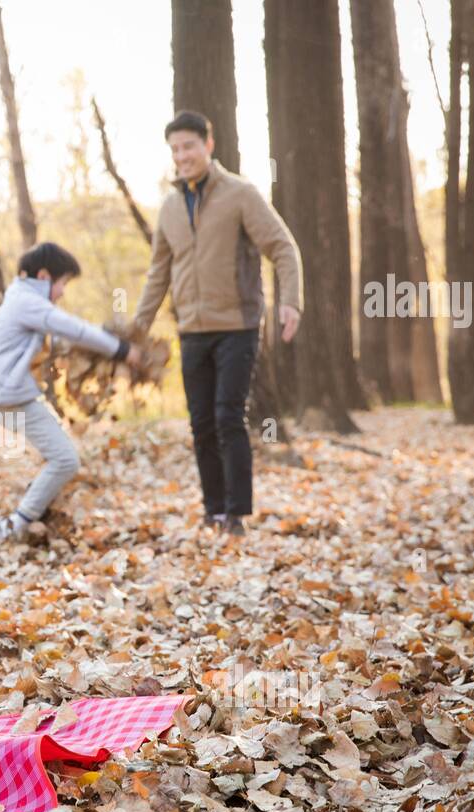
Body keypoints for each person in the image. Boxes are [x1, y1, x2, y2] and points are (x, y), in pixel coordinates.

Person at [130, 110, 303, 537]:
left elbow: (282, 247)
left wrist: (290, 302)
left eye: (188, 146)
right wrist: (138, 328)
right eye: (174, 149)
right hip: (191, 329)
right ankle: (213, 510)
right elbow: (158, 273)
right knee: (201, 422)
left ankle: (237, 514)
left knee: (228, 416)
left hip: (238, 325)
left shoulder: (240, 194)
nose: (182, 156)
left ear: (209, 145)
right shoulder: (170, 208)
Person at [0, 242, 144, 543]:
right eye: (63, 282)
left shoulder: (20, 299)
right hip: (10, 395)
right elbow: (72, 329)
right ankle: (16, 524)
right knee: (65, 459)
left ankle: (31, 516)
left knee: (59, 457)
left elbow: (64, 339)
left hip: (10, 394)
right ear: (43, 276)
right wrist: (120, 349)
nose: (63, 291)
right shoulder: (27, 302)